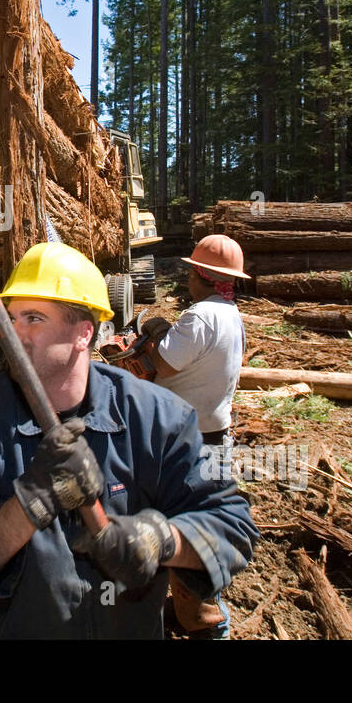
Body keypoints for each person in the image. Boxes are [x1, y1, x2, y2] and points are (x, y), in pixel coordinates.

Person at [0, 241, 258, 639]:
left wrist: (158, 540)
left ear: (84, 333)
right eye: (11, 318)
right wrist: (32, 499)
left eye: (34, 318)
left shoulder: (157, 417)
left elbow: (231, 526)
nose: (15, 335)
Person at [140, 233, 251, 637]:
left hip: (187, 442)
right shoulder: (230, 313)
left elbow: (165, 366)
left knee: (187, 532)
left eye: (191, 271)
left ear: (200, 274)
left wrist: (154, 333)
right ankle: (195, 607)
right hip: (215, 435)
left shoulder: (200, 316)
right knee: (206, 527)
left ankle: (205, 620)